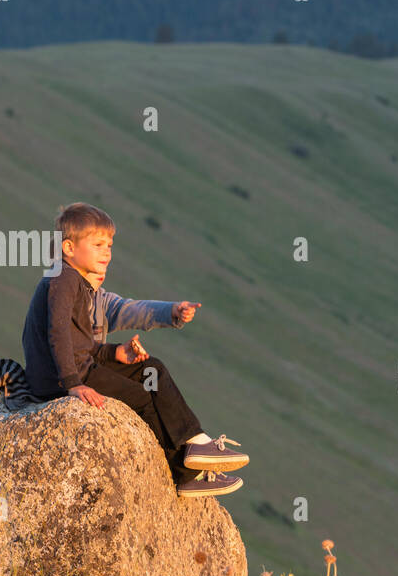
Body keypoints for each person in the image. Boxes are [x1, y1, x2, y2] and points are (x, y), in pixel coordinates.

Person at [21, 202, 248, 497]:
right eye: (98, 244)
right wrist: (73, 384)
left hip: (78, 369)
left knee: (151, 369)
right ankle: (185, 472)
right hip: (61, 380)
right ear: (69, 247)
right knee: (141, 398)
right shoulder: (62, 279)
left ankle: (196, 441)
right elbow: (58, 333)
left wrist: (114, 353)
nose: (107, 252)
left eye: (110, 245)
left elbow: (84, 344)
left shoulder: (78, 285)